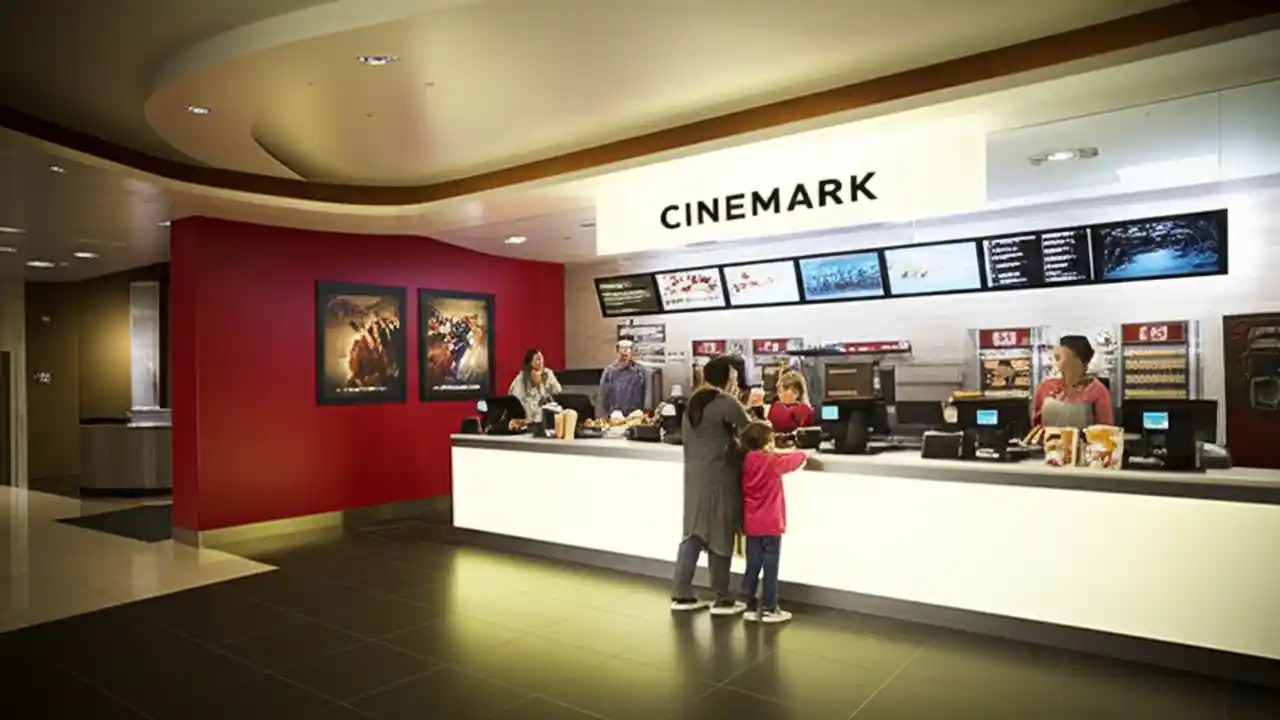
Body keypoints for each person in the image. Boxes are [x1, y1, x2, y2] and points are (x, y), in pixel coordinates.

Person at [671, 356, 752, 616]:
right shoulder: (725, 402)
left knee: (692, 535)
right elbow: (752, 433)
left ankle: (681, 593)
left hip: (694, 479)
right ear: (727, 379)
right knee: (720, 534)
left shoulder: (694, 402)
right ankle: (722, 597)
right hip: (720, 478)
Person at [738, 420, 807, 624]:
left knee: (753, 564)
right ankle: (769, 607)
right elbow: (799, 458)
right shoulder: (771, 462)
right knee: (770, 566)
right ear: (767, 442)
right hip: (771, 523)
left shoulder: (745, 460)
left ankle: (749, 604)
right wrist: (779, 452)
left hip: (751, 523)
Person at [1033, 335, 1115, 428]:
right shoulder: (1046, 387)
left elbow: (1106, 429)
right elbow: (1036, 425)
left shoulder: (1097, 391)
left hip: (1084, 442)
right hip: (1049, 441)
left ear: (1082, 362)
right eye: (1057, 358)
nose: (1058, 363)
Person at [508, 348, 561, 421]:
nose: (541, 362)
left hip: (545, 414)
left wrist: (543, 383)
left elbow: (557, 390)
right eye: (537, 359)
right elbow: (516, 397)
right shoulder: (522, 378)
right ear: (529, 362)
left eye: (541, 359)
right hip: (527, 415)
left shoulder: (547, 373)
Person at [598, 339, 647, 416]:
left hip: (634, 416)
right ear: (617, 352)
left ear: (632, 352)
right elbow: (602, 397)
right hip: (614, 416)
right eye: (622, 348)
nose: (624, 351)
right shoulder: (609, 372)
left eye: (628, 349)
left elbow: (644, 396)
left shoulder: (639, 372)